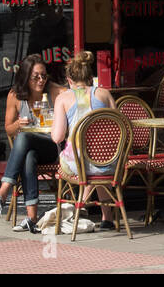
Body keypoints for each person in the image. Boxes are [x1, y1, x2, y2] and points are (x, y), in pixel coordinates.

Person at [0, 54, 66, 232]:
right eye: (36, 76)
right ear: (26, 76)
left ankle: (3, 191)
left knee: (23, 138)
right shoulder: (15, 96)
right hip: (31, 149)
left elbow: (70, 94)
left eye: (44, 75)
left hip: (51, 146)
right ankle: (32, 218)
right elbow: (9, 129)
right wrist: (18, 124)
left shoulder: (52, 91)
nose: (41, 80)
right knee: (28, 155)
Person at [50, 50, 119, 230]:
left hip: (79, 165)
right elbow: (120, 127)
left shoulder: (63, 98)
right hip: (109, 162)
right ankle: (107, 217)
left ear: (69, 80)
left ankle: (77, 208)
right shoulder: (104, 94)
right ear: (90, 78)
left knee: (82, 159)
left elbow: (57, 137)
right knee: (96, 161)